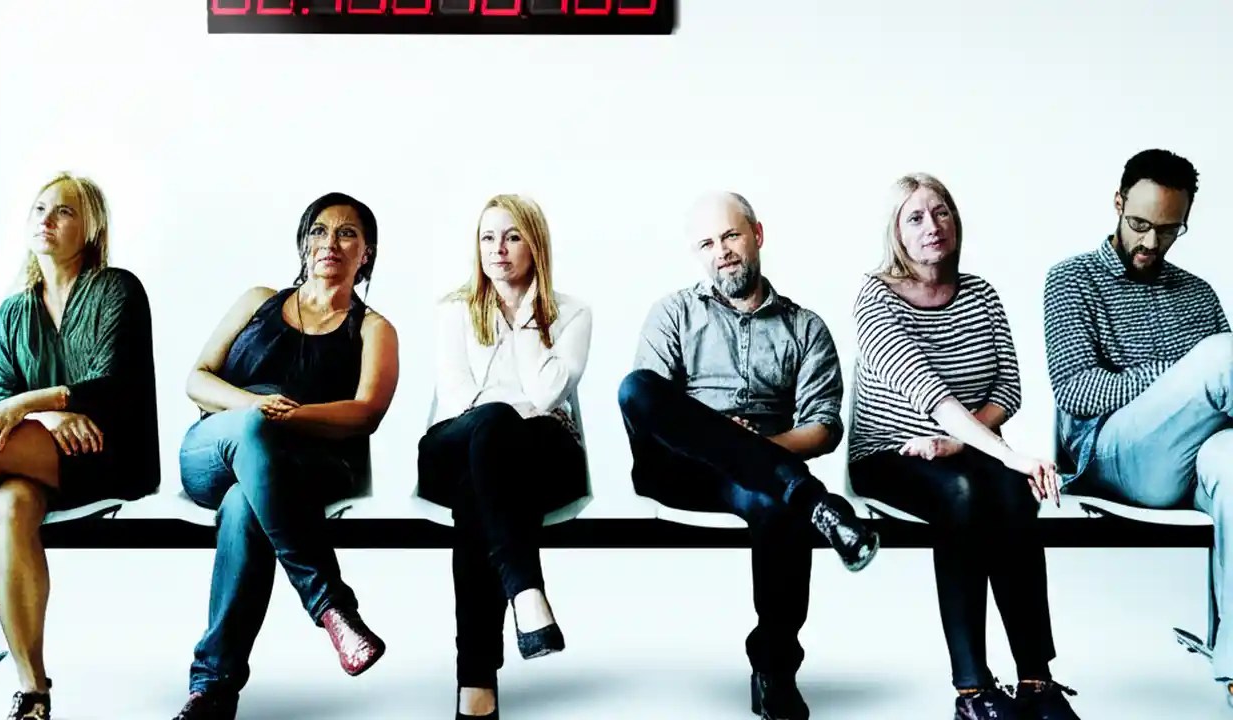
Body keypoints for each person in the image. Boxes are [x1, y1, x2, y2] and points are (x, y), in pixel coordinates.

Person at [616, 191, 879, 720]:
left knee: (774, 503)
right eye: (707, 243)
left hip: (758, 478)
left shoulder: (804, 328)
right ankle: (816, 503)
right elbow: (652, 410)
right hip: (675, 468)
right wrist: (716, 433)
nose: (722, 251)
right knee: (635, 387)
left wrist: (751, 448)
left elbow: (825, 428)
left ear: (757, 235)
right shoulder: (673, 313)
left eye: (731, 236)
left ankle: (775, 673)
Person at [848, 173, 1077, 720]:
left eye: (941, 212)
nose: (932, 226)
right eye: (916, 217)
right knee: (964, 497)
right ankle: (973, 692)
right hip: (890, 453)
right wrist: (987, 447)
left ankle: (1036, 682)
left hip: (968, 449)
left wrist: (962, 441)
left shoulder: (981, 293)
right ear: (896, 233)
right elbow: (926, 389)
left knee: (1015, 494)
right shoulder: (874, 296)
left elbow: (1009, 389)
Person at [170, 192, 399, 720]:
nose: (330, 243)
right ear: (303, 243)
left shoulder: (372, 330)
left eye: (347, 234)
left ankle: (212, 691)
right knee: (248, 443)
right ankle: (330, 605)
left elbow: (366, 413)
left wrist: (291, 418)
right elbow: (197, 379)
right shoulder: (258, 299)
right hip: (214, 449)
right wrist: (257, 409)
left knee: (243, 506)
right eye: (319, 231)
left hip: (304, 467)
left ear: (366, 253)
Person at [0, 172, 159, 720]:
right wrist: (45, 413)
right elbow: (2, 401)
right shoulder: (14, 312)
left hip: (111, 455)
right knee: (10, 501)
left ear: (90, 228)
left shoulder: (117, 288)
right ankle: (33, 690)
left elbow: (114, 390)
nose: (47, 219)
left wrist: (30, 405)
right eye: (40, 208)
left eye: (64, 211)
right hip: (45, 460)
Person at [1043, 149, 1233, 706]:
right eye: (1140, 225)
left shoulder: (1197, 295)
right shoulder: (1071, 279)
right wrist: (1184, 370)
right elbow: (1077, 390)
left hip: (1192, 460)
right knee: (1223, 356)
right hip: (1109, 457)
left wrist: (1193, 376)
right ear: (1119, 204)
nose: (1152, 243)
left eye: (1170, 230)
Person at [417, 194, 591, 720]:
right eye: (489, 237)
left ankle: (475, 683)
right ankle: (527, 593)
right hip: (454, 443)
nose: (499, 249)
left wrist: (532, 320)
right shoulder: (454, 309)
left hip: (543, 456)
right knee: (489, 427)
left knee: (480, 501)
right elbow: (457, 398)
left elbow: (548, 394)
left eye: (513, 237)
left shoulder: (573, 314)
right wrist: (506, 415)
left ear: (535, 246)